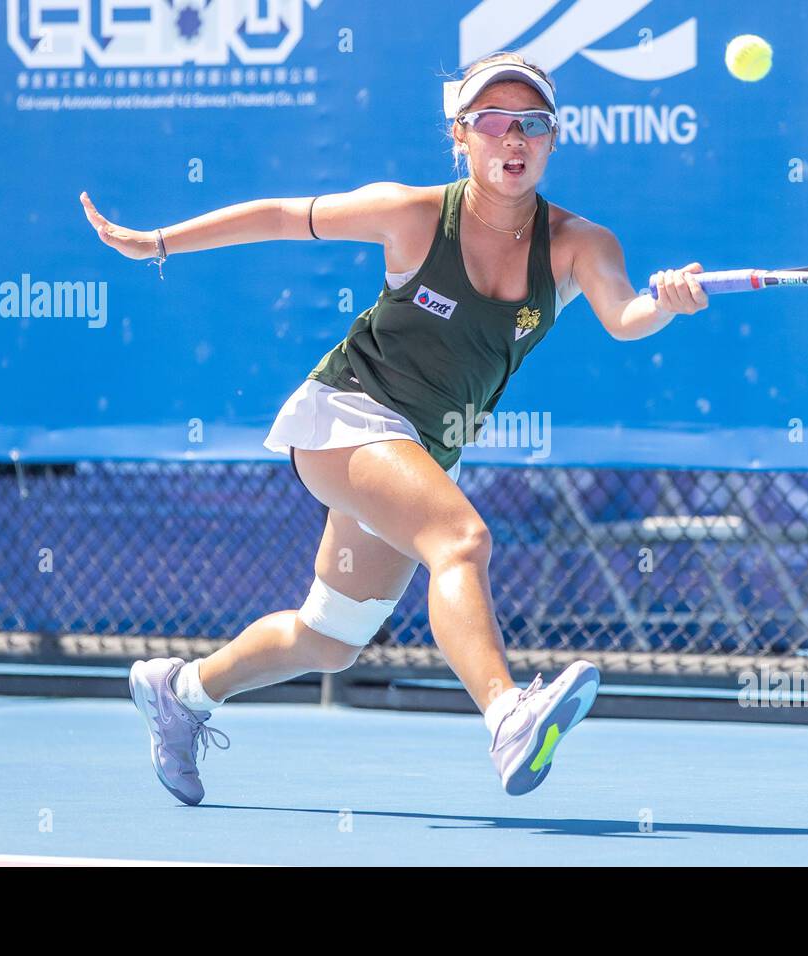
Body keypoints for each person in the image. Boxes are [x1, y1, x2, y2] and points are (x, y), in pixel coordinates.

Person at [79, 52, 710, 804]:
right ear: (461, 136)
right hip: (343, 415)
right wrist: (155, 242)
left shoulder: (581, 243)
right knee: (461, 540)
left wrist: (666, 301)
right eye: (493, 121)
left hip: (419, 451)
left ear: (553, 138)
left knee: (330, 638)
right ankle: (508, 716)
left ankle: (179, 691)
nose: (513, 137)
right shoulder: (411, 214)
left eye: (532, 123)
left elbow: (626, 316)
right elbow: (280, 216)